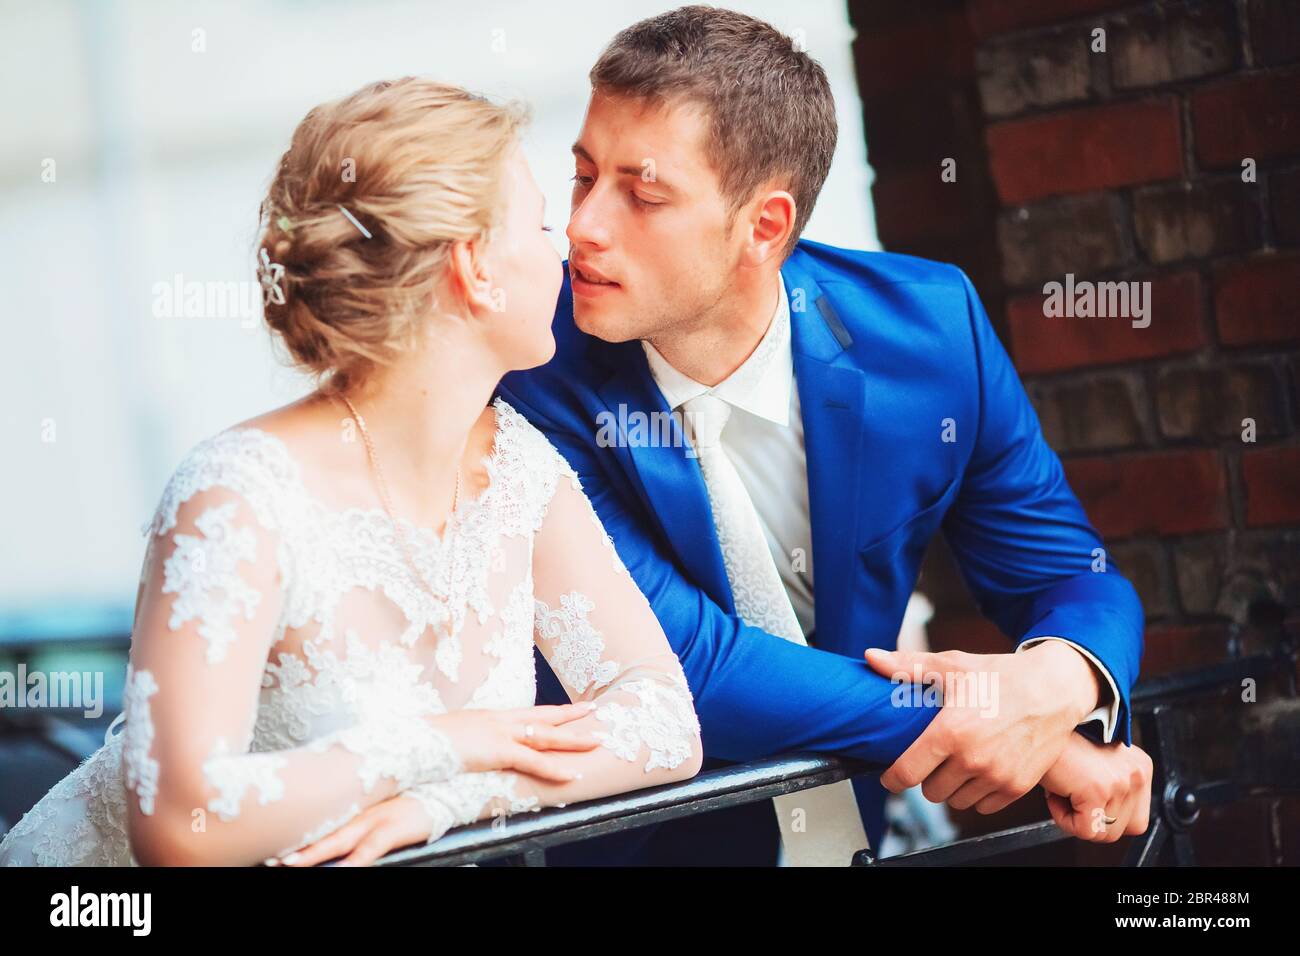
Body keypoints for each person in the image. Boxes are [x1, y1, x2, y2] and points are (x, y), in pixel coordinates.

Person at [491, 6, 1153, 866]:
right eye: (583, 178)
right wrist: (1008, 730)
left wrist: (1063, 682)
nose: (582, 226)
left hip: (866, 842)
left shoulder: (931, 333)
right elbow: (692, 661)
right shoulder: (528, 367)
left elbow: (1067, 572)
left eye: (643, 193)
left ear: (764, 227)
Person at [0, 77, 703, 868]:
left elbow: (663, 723)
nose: (566, 245)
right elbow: (177, 825)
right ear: (473, 266)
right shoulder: (235, 497)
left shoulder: (520, 470)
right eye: (539, 224)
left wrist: (449, 800)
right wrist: (440, 744)